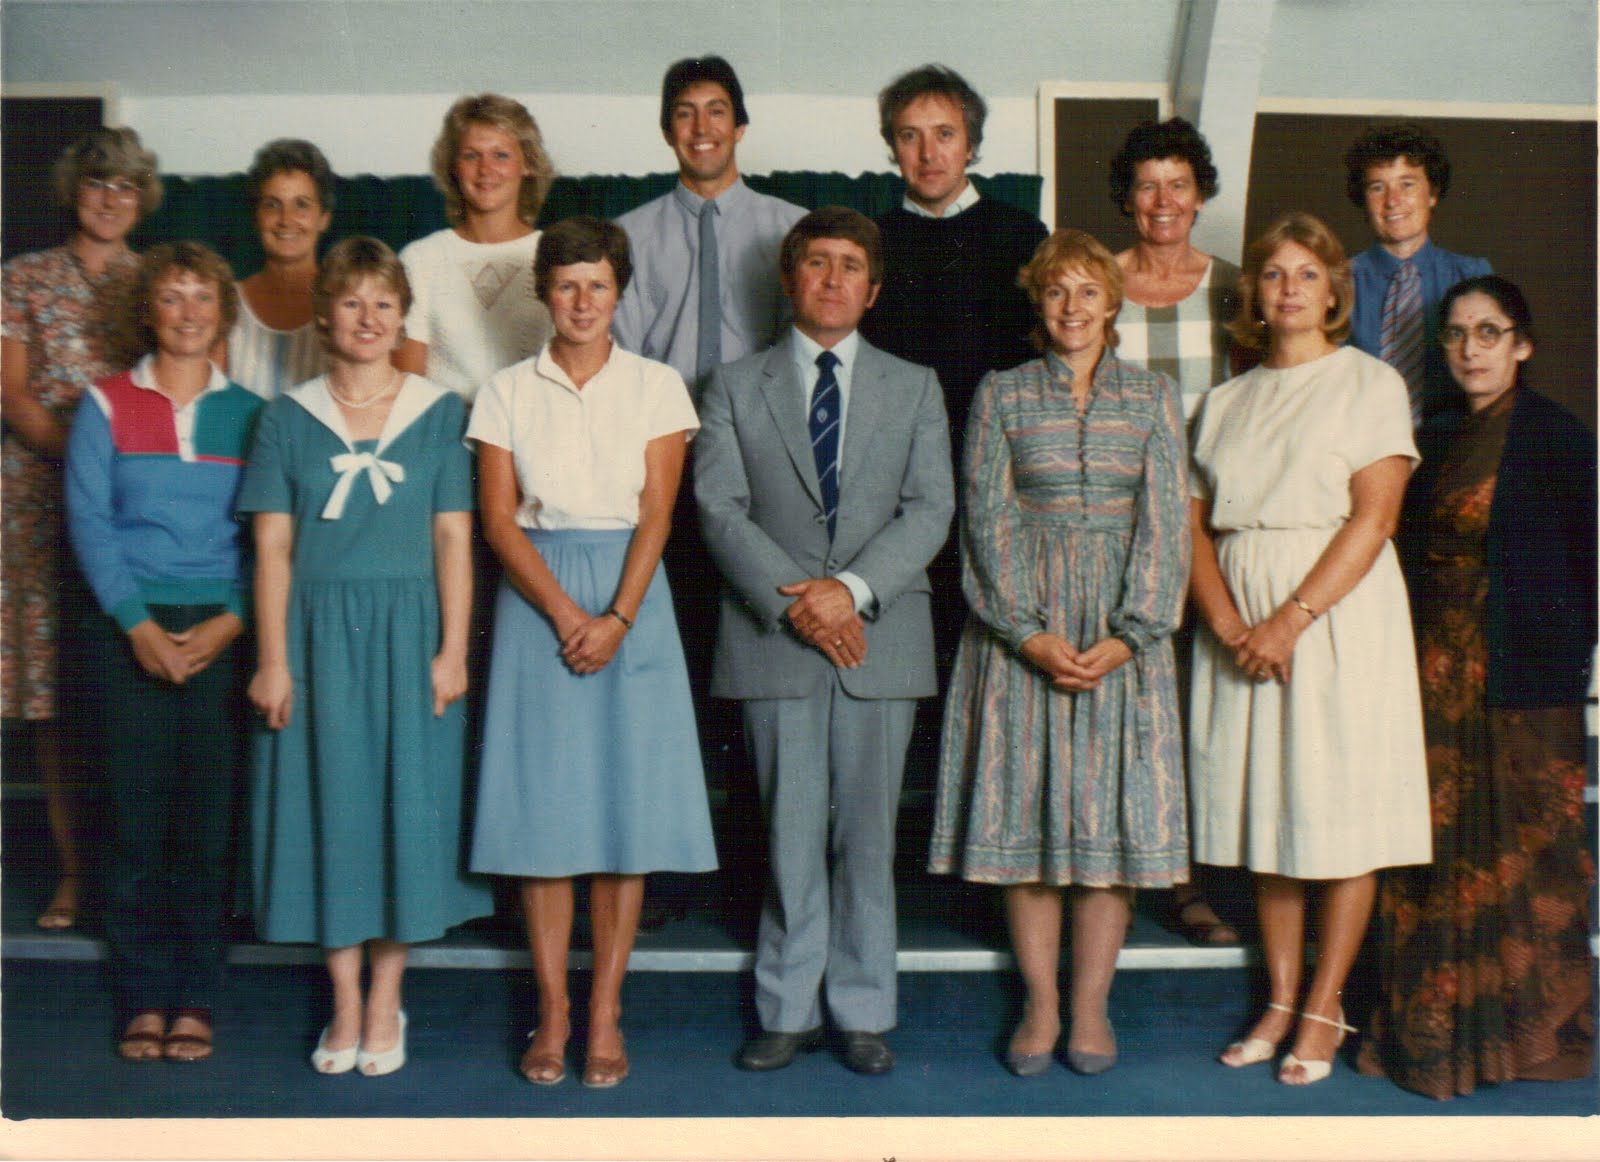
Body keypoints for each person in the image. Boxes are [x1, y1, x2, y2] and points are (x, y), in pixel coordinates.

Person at [696, 207, 954, 1076]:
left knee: (869, 837)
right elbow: (719, 508)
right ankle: (786, 1005)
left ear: (873, 289)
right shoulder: (734, 385)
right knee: (788, 830)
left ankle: (864, 1007)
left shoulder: (915, 386)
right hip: (774, 640)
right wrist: (802, 604)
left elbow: (931, 508)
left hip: (882, 639)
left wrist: (848, 593)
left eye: (851, 265)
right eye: (817, 263)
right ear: (790, 278)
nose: (833, 278)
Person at [929, 229, 1190, 1077]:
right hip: (1024, 634)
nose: (1072, 308)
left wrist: (1129, 635)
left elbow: (1167, 526)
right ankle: (1040, 1004)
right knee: (1031, 822)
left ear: (1113, 304)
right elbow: (984, 523)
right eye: (1056, 293)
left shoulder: (1152, 398)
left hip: (1121, 632)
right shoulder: (1001, 396)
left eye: (1088, 292)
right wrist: (1028, 632)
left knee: (1108, 827)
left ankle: (1090, 1008)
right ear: (1037, 306)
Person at [467, 216, 716, 1089]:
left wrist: (615, 615)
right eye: (566, 284)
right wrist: (569, 611)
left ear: (619, 293)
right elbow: (498, 520)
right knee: (545, 818)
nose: (581, 301)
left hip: (633, 599)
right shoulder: (504, 391)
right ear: (544, 291)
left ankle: (605, 1008)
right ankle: (552, 1008)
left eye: (597, 285)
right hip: (540, 595)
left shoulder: (657, 386)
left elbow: (658, 512)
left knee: (623, 816)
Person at [1188, 212, 1431, 1085]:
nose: (1288, 288)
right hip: (1241, 620)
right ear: (1253, 292)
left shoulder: (1368, 383)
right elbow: (1190, 526)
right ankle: (1282, 999)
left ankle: (1326, 1006)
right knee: (1272, 816)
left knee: (1336, 813)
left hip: (1334, 616)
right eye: (1273, 274)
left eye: (1307, 274)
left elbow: (1376, 516)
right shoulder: (1223, 400)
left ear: (1335, 291)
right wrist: (1229, 627)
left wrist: (1289, 620)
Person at [241, 237, 493, 1077]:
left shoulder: (439, 413)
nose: (368, 318)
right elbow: (271, 552)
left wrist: (453, 650)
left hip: (409, 634)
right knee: (329, 811)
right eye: (351, 303)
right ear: (323, 317)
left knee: (402, 812)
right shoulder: (285, 418)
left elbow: (454, 540)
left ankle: (388, 997)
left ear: (401, 317)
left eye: (384, 304)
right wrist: (273, 660)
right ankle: (342, 1000)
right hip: (314, 639)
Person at [1357, 276, 1596, 1099]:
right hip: (1428, 673)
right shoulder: (1437, 434)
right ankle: (1439, 1035)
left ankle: (1533, 1039)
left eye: (1489, 333)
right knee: (1431, 850)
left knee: (1530, 856)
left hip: (1524, 677)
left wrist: (1562, 663)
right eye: (1457, 334)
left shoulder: (1558, 438)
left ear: (1521, 345)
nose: (1470, 349)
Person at [65, 241, 263, 1061]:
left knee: (208, 824)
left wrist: (234, 618)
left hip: (221, 627)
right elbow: (88, 522)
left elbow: (269, 534)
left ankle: (197, 998)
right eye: (172, 298)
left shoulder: (252, 412)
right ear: (148, 310)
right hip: (129, 629)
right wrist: (139, 626)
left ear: (223, 313)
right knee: (133, 819)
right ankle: (143, 996)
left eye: (203, 299)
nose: (188, 314)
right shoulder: (105, 404)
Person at [2, 127, 156, 931]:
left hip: (137, 507)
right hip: (38, 501)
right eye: (99, 183)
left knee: (120, 691)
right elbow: (15, 395)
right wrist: (90, 460)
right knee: (55, 698)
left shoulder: (155, 281)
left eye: (127, 187)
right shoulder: (22, 278)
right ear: (75, 189)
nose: (111, 200)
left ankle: (125, 872)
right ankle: (70, 875)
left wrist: (116, 475)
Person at [1108, 116, 1241, 947]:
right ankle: (1111, 876)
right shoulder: (1097, 278)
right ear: (1127, 196)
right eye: (1148, 184)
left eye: (1180, 184)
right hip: (1113, 524)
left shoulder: (1236, 286)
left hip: (1209, 528)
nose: (1164, 201)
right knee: (1124, 706)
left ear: (1201, 195)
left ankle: (1191, 882)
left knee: (1197, 710)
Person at [859, 64, 1046, 447]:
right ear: (894, 147)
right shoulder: (868, 242)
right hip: (897, 451)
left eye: (945, 134)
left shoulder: (1024, 235)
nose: (928, 154)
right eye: (910, 136)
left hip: (1002, 446)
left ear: (971, 144)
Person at [612, 54, 805, 392]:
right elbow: (621, 355)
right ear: (668, 133)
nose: (701, 128)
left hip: (763, 425)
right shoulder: (626, 237)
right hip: (659, 426)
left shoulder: (794, 229)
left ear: (739, 128)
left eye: (716, 112)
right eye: (685, 114)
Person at [394, 94, 556, 400]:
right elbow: (407, 386)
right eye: (471, 156)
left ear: (528, 165)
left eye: (501, 155)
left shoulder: (554, 255)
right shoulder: (420, 259)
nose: (486, 169)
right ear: (453, 167)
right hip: (443, 435)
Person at [1343, 122, 1491, 427]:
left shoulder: (1472, 276)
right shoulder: (1338, 283)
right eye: (1377, 187)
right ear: (1364, 200)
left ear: (1432, 194)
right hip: (1361, 448)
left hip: (1451, 449)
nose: (1393, 200)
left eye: (1407, 184)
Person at [224, 139, 336, 399]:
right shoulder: (225, 303)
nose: (286, 220)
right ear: (256, 216)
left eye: (302, 205)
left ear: (324, 218)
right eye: (272, 204)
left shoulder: (347, 306)